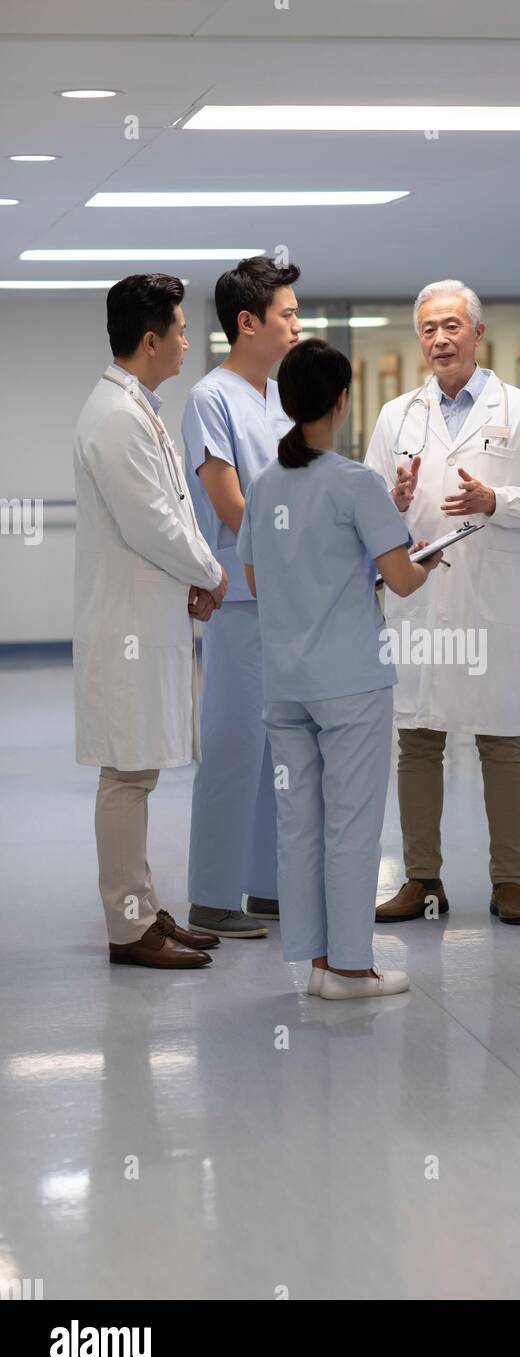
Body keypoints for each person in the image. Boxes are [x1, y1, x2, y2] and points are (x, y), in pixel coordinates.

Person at [236, 340, 442, 998]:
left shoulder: (265, 485)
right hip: (350, 682)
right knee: (351, 825)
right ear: (342, 401)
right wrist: (432, 556)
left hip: (286, 685)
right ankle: (352, 968)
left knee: (300, 823)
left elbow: (256, 578)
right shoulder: (356, 481)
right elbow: (403, 580)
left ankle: (317, 961)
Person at [365, 279, 520, 926]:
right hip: (421, 600)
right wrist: (392, 500)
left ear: (478, 333)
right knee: (417, 739)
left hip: (488, 601)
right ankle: (423, 879)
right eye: (428, 329)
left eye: (452, 326)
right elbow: (368, 510)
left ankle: (510, 881)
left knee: (502, 740)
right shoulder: (397, 416)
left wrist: (496, 502)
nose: (440, 338)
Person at [73, 274, 228, 968]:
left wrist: (197, 575)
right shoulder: (114, 416)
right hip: (127, 627)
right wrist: (212, 572)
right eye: (181, 330)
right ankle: (128, 926)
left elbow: (169, 518)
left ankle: (142, 908)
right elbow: (155, 524)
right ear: (149, 340)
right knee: (127, 775)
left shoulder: (133, 407)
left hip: (148, 616)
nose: (187, 342)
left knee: (137, 773)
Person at [182, 256, 301, 938]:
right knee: (231, 745)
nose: (296, 324)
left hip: (284, 597)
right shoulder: (212, 398)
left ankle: (266, 886)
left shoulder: (279, 400)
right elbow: (229, 503)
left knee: (274, 753)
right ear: (248, 322)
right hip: (243, 597)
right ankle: (212, 895)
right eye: (286, 314)